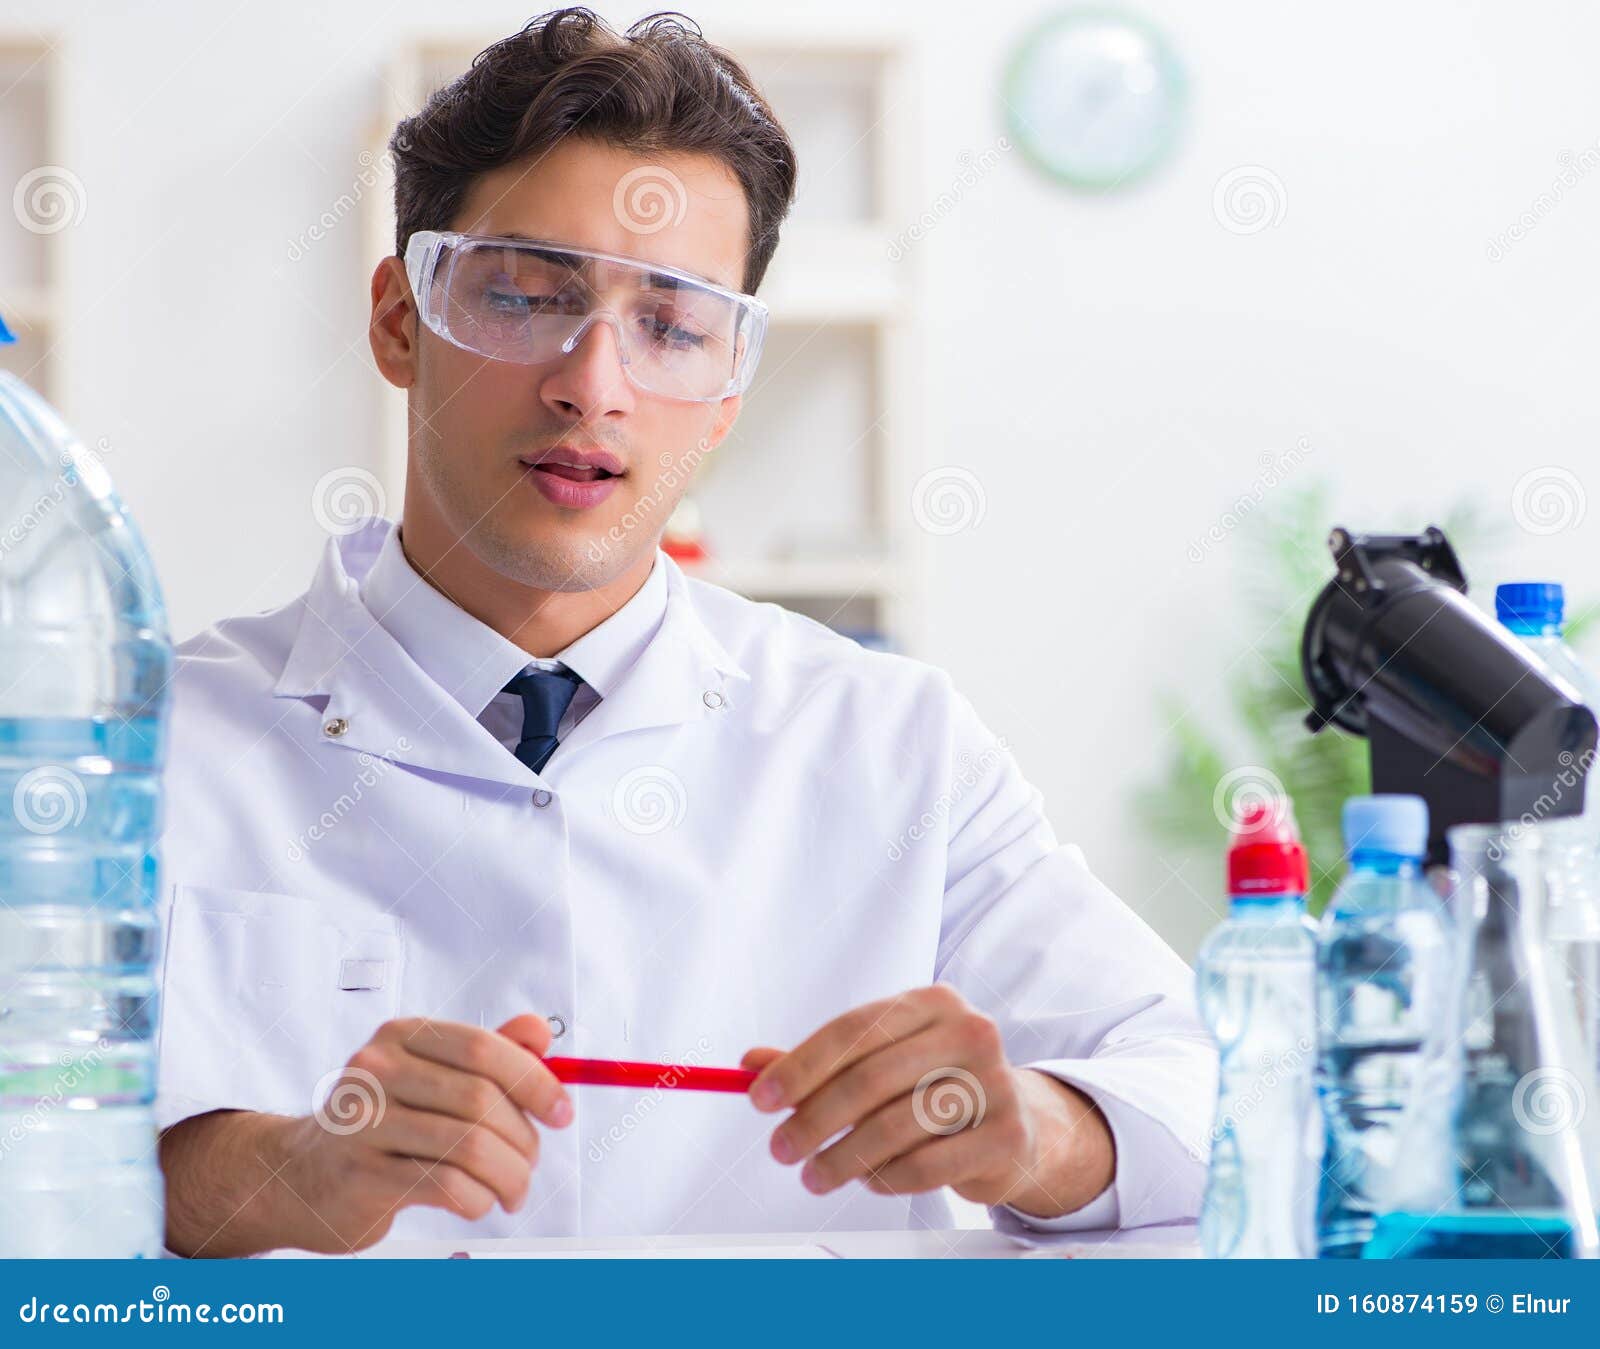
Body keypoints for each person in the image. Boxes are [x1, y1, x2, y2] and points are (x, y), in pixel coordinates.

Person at [155, 8, 1214, 1257]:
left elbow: (1206, 1090)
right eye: (524, 294)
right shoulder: (153, 748)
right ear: (400, 319)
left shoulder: (892, 744)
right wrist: (282, 1170)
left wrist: (1033, 1131)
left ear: (725, 393)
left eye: (669, 325)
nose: (591, 382)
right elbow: (36, 1117)